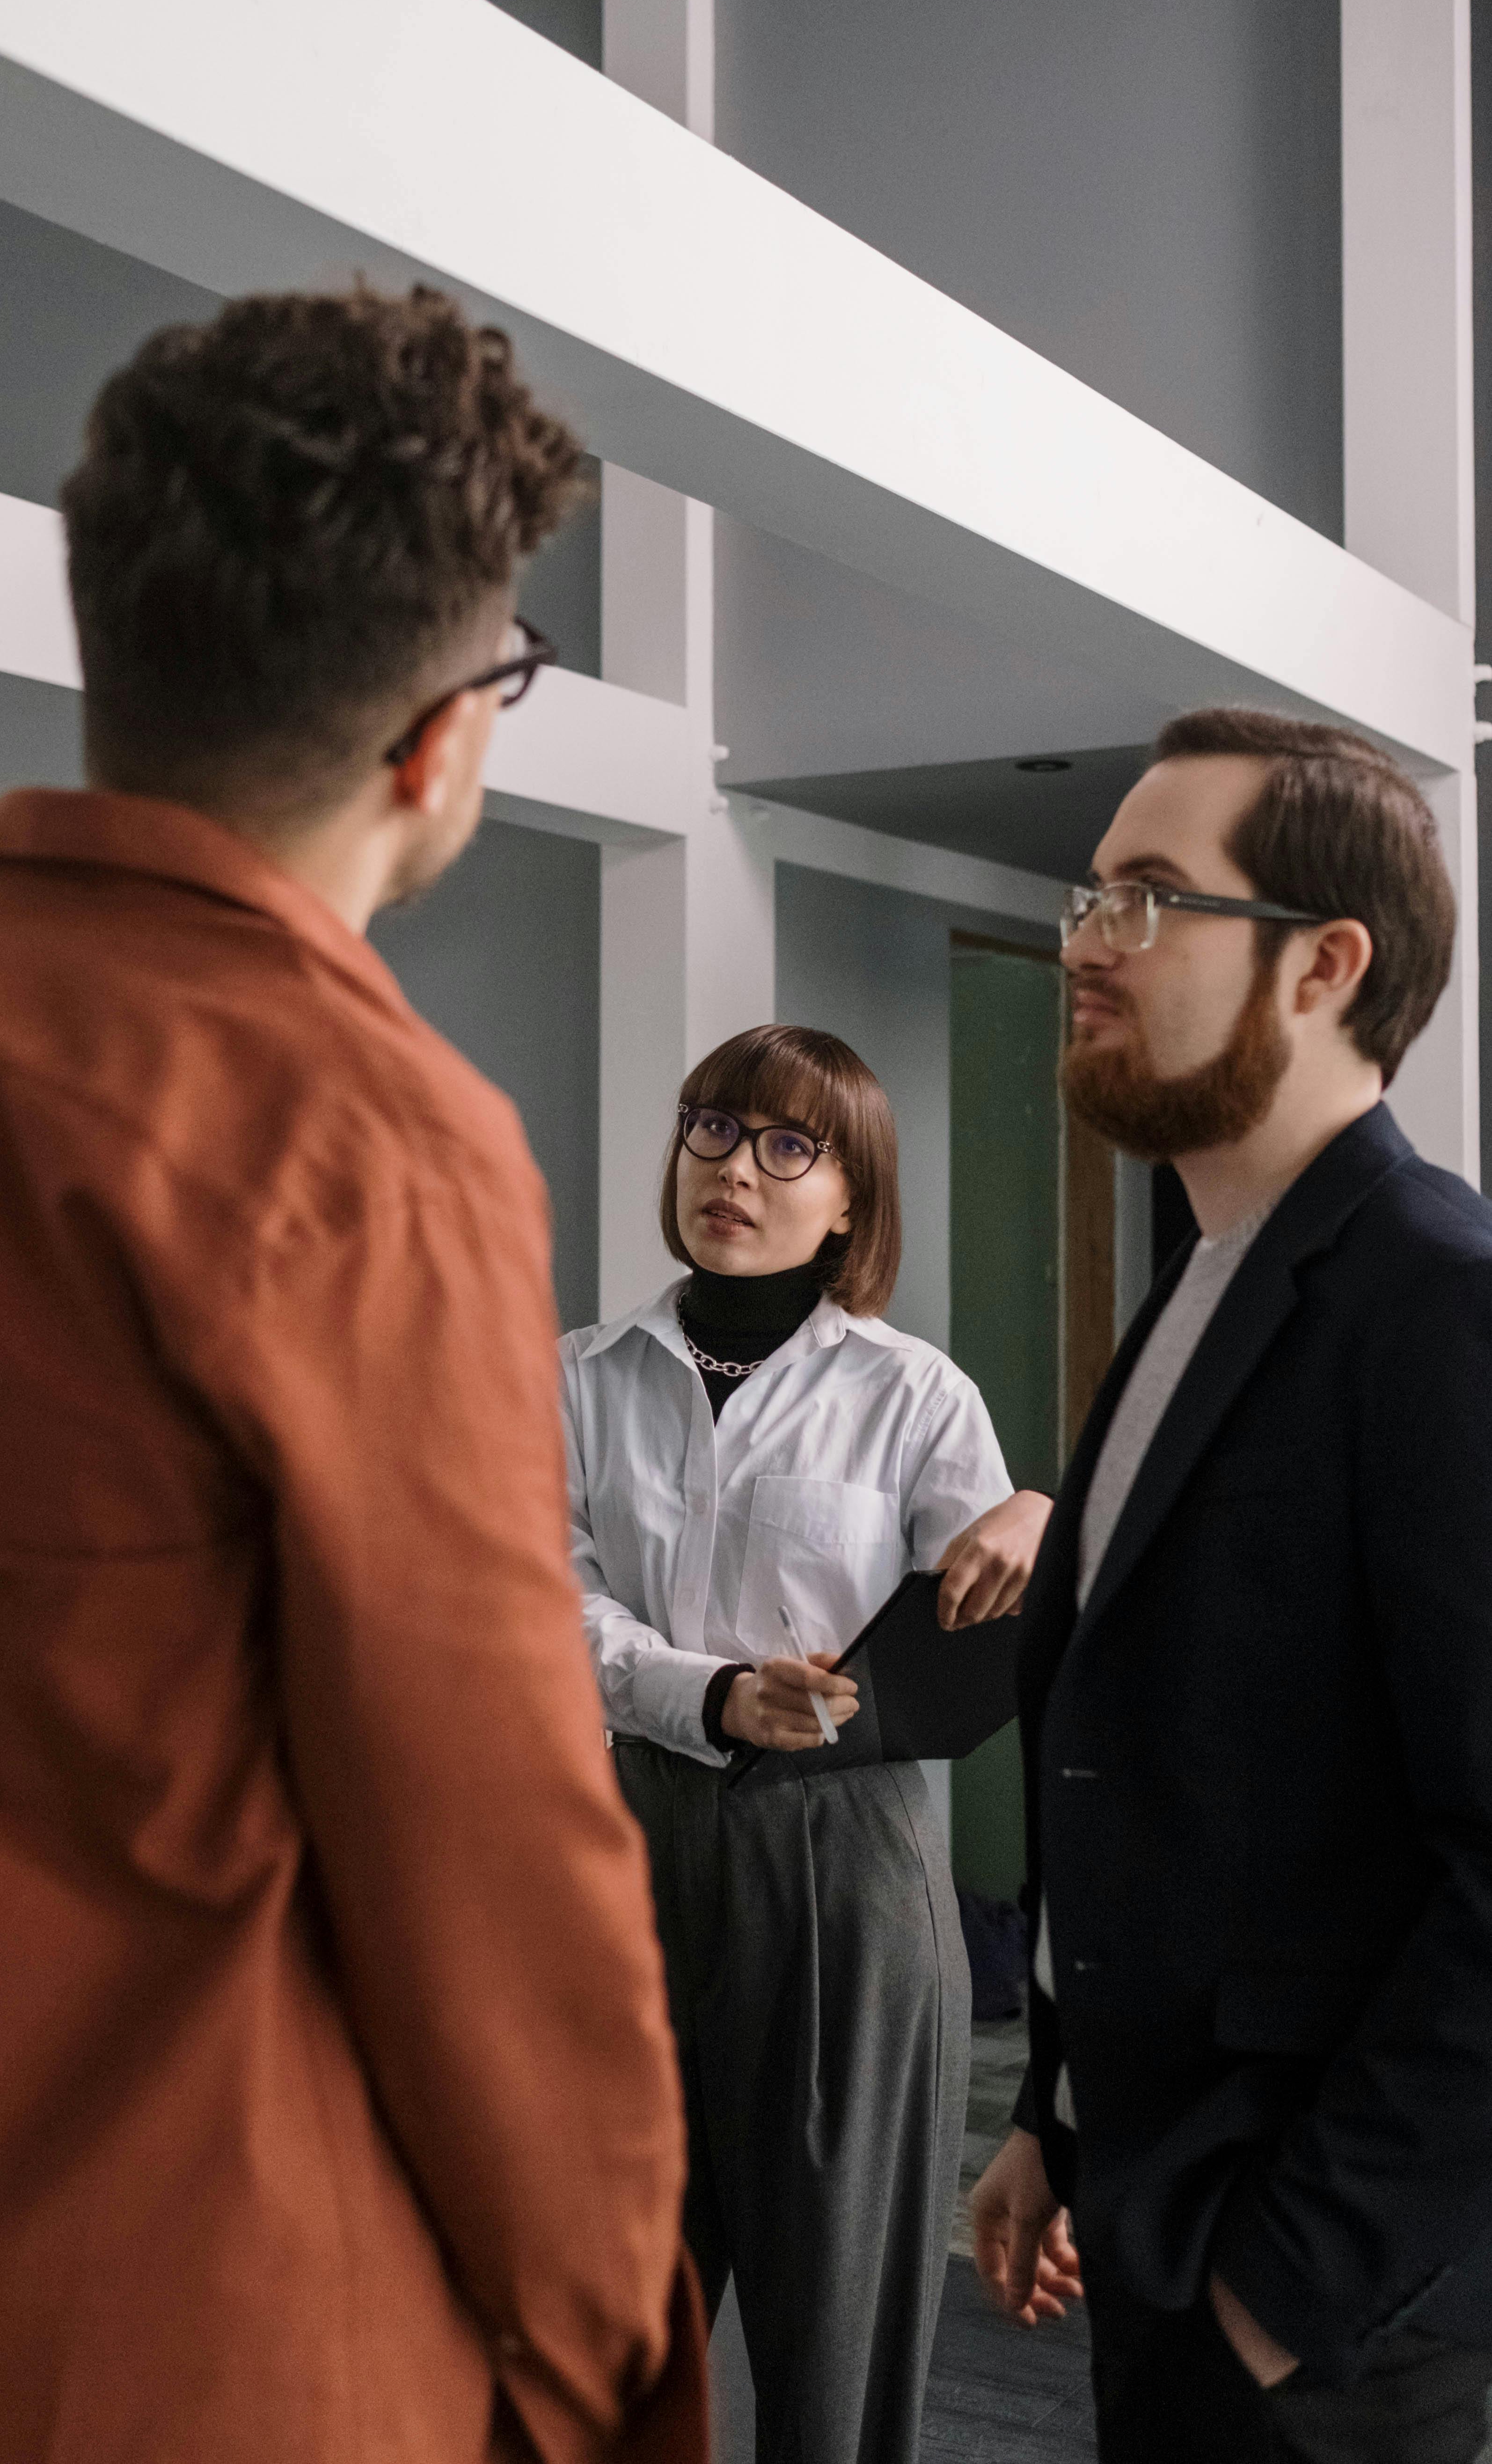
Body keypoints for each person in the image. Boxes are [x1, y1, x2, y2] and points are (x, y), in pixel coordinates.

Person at [0, 285, 706, 2462]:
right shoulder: (366, 1131)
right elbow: (487, 1847)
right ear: (441, 737)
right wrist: (620, 2337)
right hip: (202, 2328)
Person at [971, 708, 1492, 2462]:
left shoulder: (1440, 1303)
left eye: (1144, 901)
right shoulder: (1201, 1278)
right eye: (1084, 902)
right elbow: (1159, 1769)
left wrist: (1286, 2291)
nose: (1084, 949)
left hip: (1315, 2312)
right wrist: (1053, 2105)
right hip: (1153, 2204)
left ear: (1321, 965)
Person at [563, 1023, 1052, 2464]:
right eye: (711, 1129)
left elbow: (994, 1603)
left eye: (791, 1146)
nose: (736, 1169)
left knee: (836, 2341)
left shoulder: (915, 1396)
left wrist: (1039, 1516)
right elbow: (526, 1603)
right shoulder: (576, 1378)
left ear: (850, 1201)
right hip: (627, 1858)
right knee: (604, 2323)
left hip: (851, 1878)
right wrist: (706, 1694)